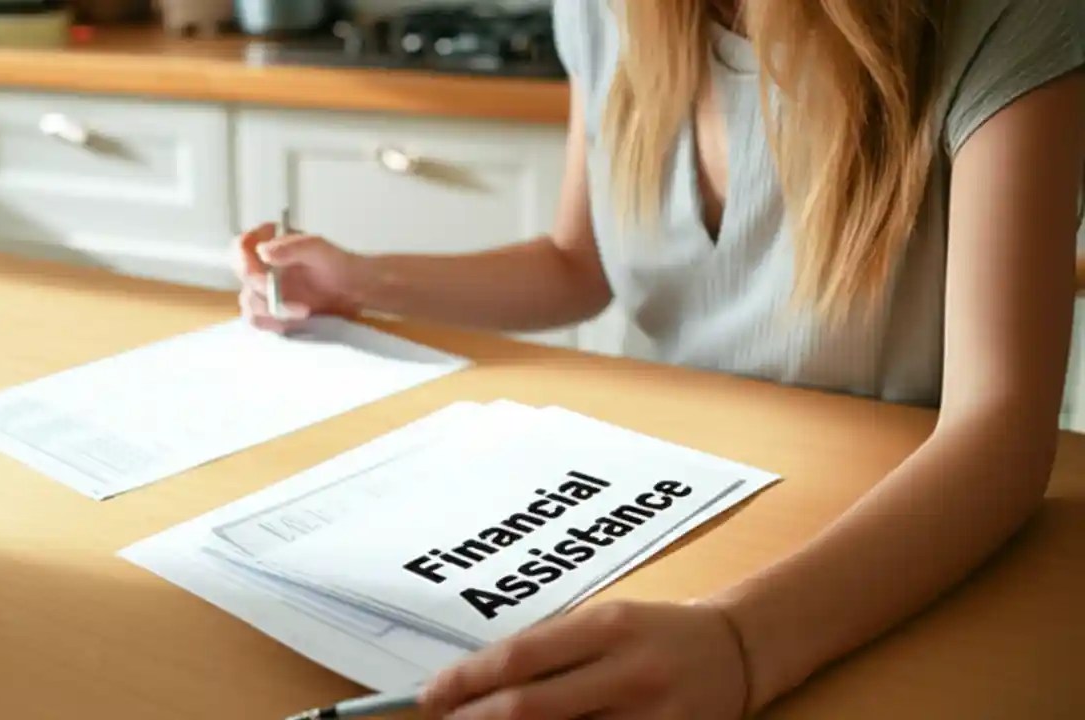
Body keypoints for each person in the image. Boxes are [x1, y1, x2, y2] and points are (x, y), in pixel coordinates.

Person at [233, 0, 1085, 716]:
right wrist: (361, 280)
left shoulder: (1008, 20)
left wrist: (743, 643)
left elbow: (1002, 436)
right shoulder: (607, 9)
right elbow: (577, 264)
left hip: (878, 556)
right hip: (656, 520)